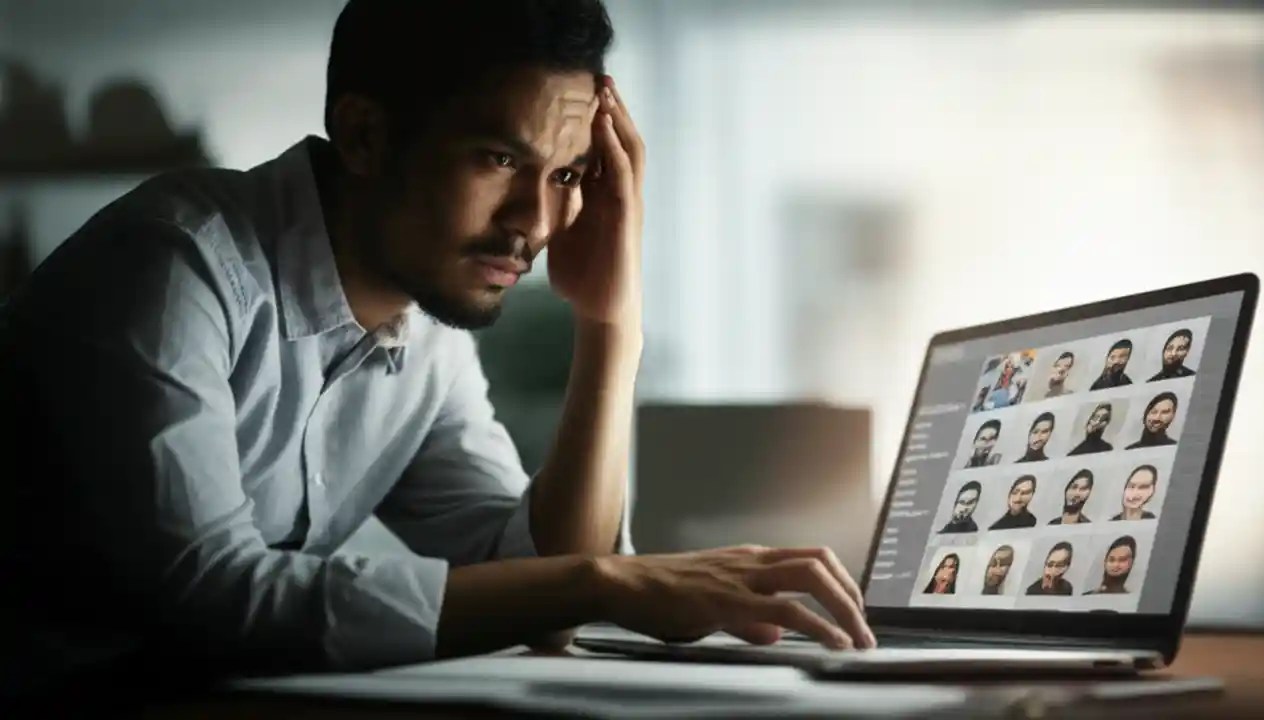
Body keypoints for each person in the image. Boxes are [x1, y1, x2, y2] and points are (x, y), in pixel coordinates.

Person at [0, 0, 875, 693]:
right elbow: (211, 600)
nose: (536, 222)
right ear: (365, 135)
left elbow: (541, 591)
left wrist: (612, 325)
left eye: (566, 175)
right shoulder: (172, 265)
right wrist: (604, 581)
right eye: (500, 159)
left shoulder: (422, 333)